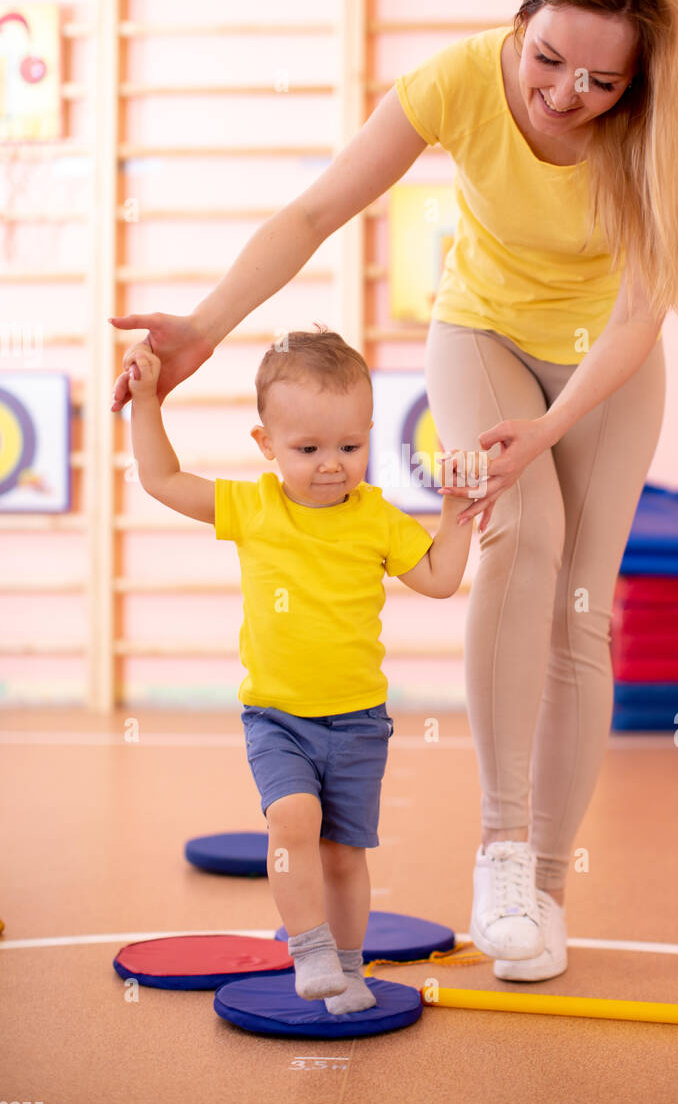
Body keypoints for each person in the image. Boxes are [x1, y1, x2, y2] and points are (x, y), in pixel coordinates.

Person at [111, 0, 678, 983]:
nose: (565, 93)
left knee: (581, 610)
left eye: (599, 79)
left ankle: (543, 887)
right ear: (519, 19)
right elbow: (314, 209)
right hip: (479, 331)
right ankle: (498, 848)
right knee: (517, 535)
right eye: (546, 59)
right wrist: (203, 330)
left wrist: (547, 428)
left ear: (637, 78)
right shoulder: (454, 79)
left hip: (604, 368)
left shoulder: (670, 132)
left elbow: (635, 318)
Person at [122, 325, 477, 1011]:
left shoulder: (375, 518)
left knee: (344, 854)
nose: (331, 464)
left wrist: (456, 508)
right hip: (278, 717)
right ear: (267, 446)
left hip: (358, 723)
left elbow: (437, 578)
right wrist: (145, 403)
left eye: (349, 446)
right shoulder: (253, 507)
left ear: (369, 434)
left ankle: (346, 965)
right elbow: (161, 479)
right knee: (291, 819)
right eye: (307, 449)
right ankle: (310, 949)